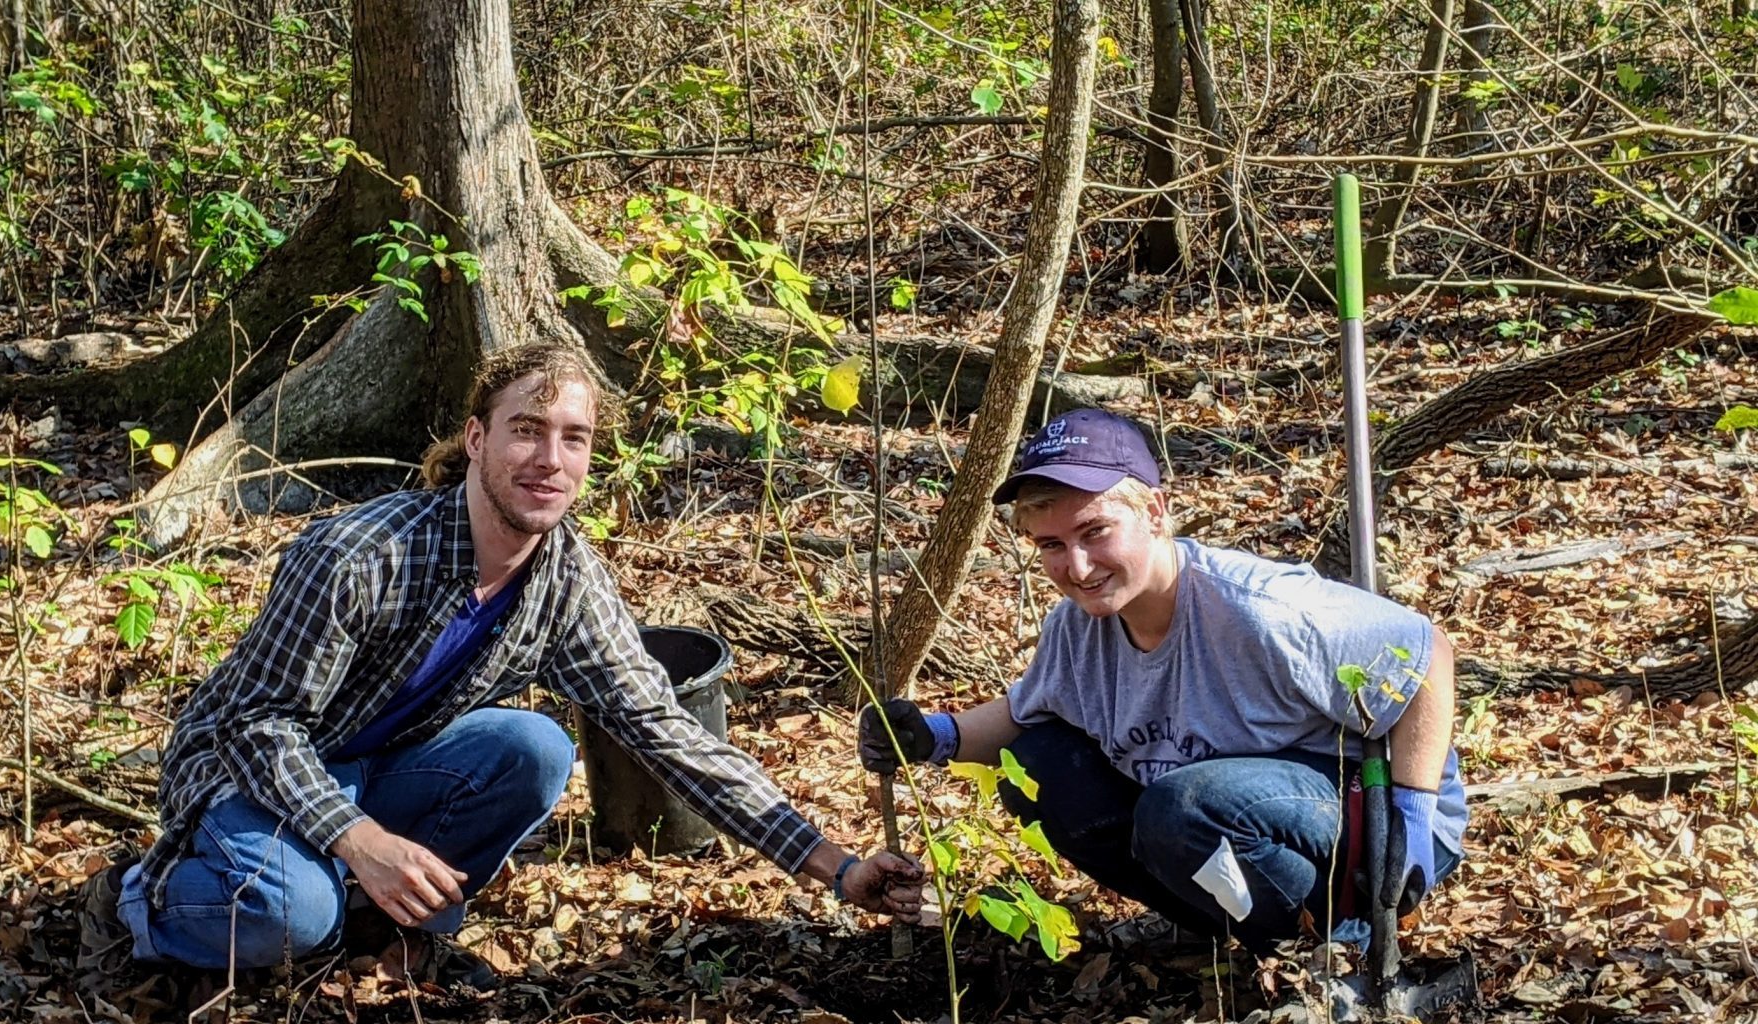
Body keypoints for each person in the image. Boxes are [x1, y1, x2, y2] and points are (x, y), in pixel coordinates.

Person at [81, 341, 922, 982]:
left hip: (385, 768)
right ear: (477, 439)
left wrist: (836, 865)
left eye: (574, 439)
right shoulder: (360, 556)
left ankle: (375, 913)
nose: (549, 460)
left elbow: (669, 736)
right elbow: (254, 725)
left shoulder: (567, 581)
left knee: (536, 748)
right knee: (284, 919)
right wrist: (360, 838)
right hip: (252, 771)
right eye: (526, 431)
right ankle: (138, 903)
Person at [858, 409, 1464, 950]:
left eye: (1095, 532)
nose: (1078, 567)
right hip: (1217, 814)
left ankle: (1335, 936)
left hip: (1368, 815)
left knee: (1183, 808)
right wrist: (929, 737)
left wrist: (1411, 820)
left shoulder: (1260, 608)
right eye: (1051, 545)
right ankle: (1228, 928)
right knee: (1039, 770)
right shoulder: (1078, 627)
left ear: (1154, 511)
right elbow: (1027, 715)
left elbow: (1428, 654)